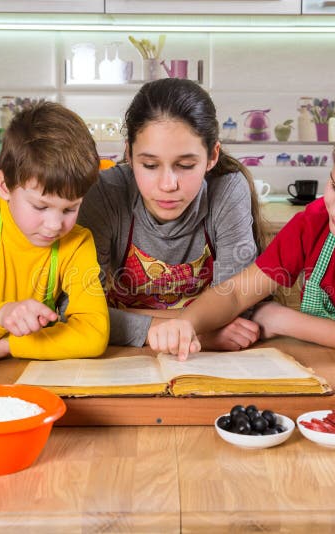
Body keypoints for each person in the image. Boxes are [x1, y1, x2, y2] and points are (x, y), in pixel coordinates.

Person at [147, 97, 335, 360]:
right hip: (319, 358)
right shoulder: (315, 222)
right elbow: (237, 294)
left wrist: (280, 319)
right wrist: (188, 322)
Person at [77, 78, 266, 351]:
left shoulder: (227, 189)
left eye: (186, 165)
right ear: (128, 154)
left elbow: (237, 301)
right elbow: (76, 310)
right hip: (125, 354)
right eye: (150, 165)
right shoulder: (106, 193)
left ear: (212, 156)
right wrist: (189, 332)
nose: (168, 185)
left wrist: (130, 322)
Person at [0, 101, 109, 368]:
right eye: (40, 206)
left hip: (13, 357)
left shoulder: (78, 241)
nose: (54, 225)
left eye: (70, 208)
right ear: (4, 185)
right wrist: (4, 314)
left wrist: (4, 346)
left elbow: (94, 334)